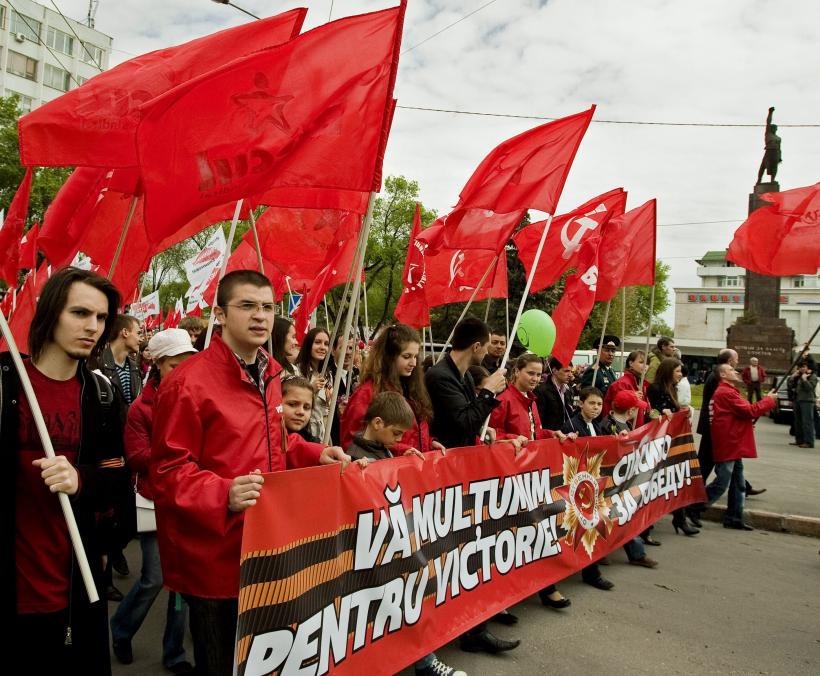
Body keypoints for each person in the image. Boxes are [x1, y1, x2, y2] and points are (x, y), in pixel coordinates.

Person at [150, 270, 351, 676]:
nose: (260, 317)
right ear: (220, 314)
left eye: (267, 307)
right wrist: (222, 492)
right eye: (247, 306)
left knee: (262, 659)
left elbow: (275, 443)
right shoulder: (187, 383)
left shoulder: (272, 374)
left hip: (264, 545)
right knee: (221, 661)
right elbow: (167, 471)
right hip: (212, 557)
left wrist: (316, 454)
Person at [4, 267, 125, 674]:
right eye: (80, 313)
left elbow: (118, 482)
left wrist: (81, 479)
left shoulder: (101, 394)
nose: (92, 327)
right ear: (51, 313)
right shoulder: (6, 381)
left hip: (75, 591)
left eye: (101, 318)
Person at [344, 392, 464, 676]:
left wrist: (399, 454)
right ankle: (424, 665)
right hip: (374, 549)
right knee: (402, 605)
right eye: (396, 434)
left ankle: (422, 661)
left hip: (386, 545)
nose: (398, 440)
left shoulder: (379, 449)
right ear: (376, 422)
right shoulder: (355, 458)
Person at [424, 317, 519, 654]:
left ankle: (473, 628)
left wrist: (486, 428)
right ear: (477, 346)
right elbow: (462, 419)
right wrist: (489, 393)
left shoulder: (461, 376)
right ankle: (451, 630)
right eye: (489, 344)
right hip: (442, 480)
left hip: (461, 476)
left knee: (470, 553)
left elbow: (469, 423)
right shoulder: (439, 376)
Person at [110, 329, 196, 674]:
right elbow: (137, 457)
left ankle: (174, 652)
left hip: (190, 501)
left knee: (181, 582)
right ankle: (121, 628)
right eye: (175, 365)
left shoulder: (196, 396)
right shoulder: (140, 410)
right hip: (155, 501)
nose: (183, 371)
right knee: (154, 577)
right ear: (157, 364)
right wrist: (178, 453)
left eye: (188, 364)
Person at [489, 353, 573, 609]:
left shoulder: (531, 402)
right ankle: (500, 596)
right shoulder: (503, 400)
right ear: (517, 372)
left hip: (531, 477)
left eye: (539, 374)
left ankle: (546, 587)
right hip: (509, 478)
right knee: (510, 536)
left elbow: (533, 432)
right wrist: (510, 439)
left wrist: (551, 433)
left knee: (538, 531)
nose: (536, 379)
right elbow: (492, 435)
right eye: (531, 373)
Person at [94, 314, 143, 596]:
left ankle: (116, 548)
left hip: (130, 445)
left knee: (127, 520)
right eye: (138, 331)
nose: (141, 336)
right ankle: (105, 578)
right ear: (124, 333)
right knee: (106, 511)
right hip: (108, 449)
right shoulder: (97, 364)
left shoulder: (135, 367)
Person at [342, 324, 442, 454]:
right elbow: (352, 441)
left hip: (413, 468)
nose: (413, 363)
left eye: (415, 356)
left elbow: (413, 432)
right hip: (386, 469)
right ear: (389, 357)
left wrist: (429, 443)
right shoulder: (367, 392)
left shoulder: (414, 388)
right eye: (406, 357)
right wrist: (402, 450)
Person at [704, 365, 777, 529]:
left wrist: (746, 424)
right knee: (722, 482)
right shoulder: (726, 392)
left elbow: (737, 415)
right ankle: (694, 507)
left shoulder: (729, 391)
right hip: (730, 443)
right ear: (722, 374)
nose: (736, 372)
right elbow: (750, 411)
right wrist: (769, 400)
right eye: (731, 370)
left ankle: (734, 518)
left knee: (738, 483)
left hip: (733, 443)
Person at [561, 387, 616, 591]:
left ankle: (591, 569)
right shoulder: (571, 425)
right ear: (581, 403)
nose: (596, 408)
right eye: (591, 403)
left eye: (599, 404)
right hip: (579, 486)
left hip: (592, 484)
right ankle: (590, 572)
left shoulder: (598, 426)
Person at [600, 390, 658, 569]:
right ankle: (608, 552)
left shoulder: (624, 425)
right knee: (615, 516)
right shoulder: (608, 426)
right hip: (611, 481)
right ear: (630, 411)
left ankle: (635, 552)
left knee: (623, 516)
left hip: (624, 480)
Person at [647, 357, 697, 536]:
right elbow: (650, 413)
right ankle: (647, 525)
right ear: (668, 371)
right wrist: (661, 412)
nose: (681, 374)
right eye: (677, 371)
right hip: (659, 444)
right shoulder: (655, 389)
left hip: (672, 442)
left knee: (677, 480)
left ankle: (680, 518)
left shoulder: (673, 388)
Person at [295, 327, 333, 441]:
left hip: (325, 434)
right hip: (306, 434)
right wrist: (311, 389)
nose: (322, 347)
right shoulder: (297, 371)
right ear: (308, 345)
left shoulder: (328, 375)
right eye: (317, 342)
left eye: (326, 344)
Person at [328, 333, 360, 445]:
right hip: (333, 437)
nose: (348, 352)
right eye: (343, 348)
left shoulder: (360, 375)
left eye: (351, 348)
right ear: (333, 351)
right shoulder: (327, 375)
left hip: (355, 439)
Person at [602, 350, 649, 426]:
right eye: (641, 362)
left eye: (647, 363)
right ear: (631, 363)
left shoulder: (641, 383)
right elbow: (619, 412)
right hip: (623, 430)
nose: (645, 366)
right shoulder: (621, 384)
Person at [535, 357, 576, 432]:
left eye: (571, 371)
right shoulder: (541, 391)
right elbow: (539, 420)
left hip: (566, 436)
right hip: (550, 438)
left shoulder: (569, 390)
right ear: (554, 370)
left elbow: (569, 415)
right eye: (566, 371)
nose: (570, 375)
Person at [281, 376, 320, 441]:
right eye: (292, 404)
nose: (301, 412)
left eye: (306, 407)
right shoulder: (263, 441)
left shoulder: (313, 444)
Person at [793, 361, 818, 448]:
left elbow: (809, 388)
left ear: (807, 367)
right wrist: (792, 377)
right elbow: (790, 386)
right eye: (800, 367)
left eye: (804, 367)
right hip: (798, 400)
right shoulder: (798, 376)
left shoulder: (812, 376)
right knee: (798, 422)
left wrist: (804, 379)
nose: (802, 368)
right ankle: (799, 440)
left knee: (807, 422)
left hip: (807, 401)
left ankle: (809, 442)